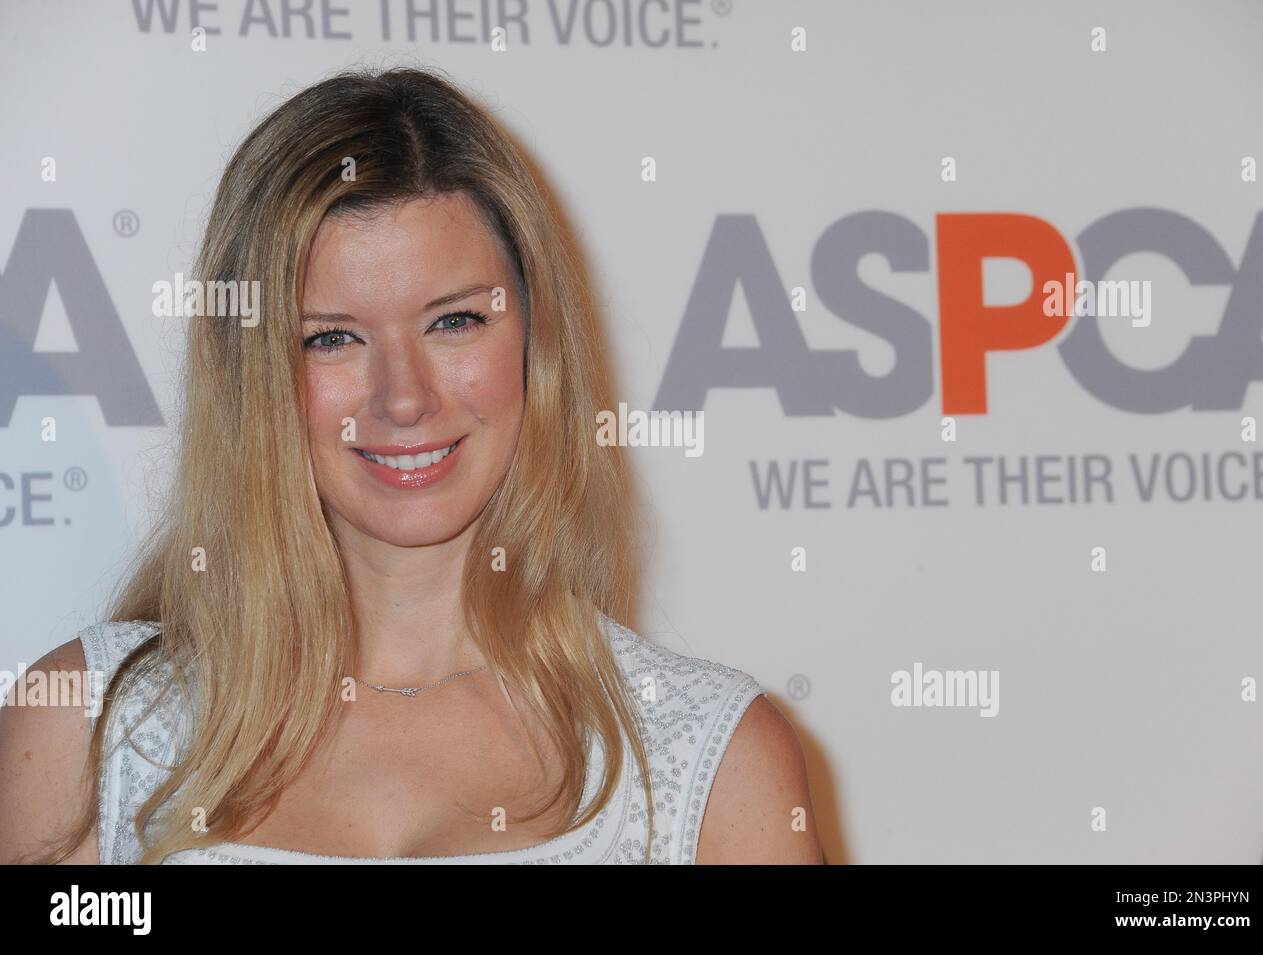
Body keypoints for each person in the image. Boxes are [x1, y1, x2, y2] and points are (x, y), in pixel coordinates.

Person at [0, 66, 823, 865]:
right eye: (332, 337)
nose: (404, 398)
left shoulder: (713, 762)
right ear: (250, 376)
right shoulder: (87, 731)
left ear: (535, 340)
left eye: (454, 321)